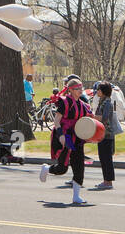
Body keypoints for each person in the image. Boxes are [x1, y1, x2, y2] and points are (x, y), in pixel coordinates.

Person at [38, 75, 90, 204]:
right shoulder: (64, 102)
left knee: (79, 166)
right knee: (62, 169)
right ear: (71, 90)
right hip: (66, 136)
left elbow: (87, 120)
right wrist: (61, 135)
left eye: (81, 87)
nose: (80, 90)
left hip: (77, 138)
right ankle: (46, 169)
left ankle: (76, 196)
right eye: (77, 88)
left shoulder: (83, 104)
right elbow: (57, 121)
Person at [91, 82, 121, 190]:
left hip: (107, 134)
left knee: (106, 158)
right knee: (102, 157)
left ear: (103, 91)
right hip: (102, 133)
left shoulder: (107, 102)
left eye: (99, 89)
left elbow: (104, 118)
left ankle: (108, 181)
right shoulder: (102, 101)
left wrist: (92, 116)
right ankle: (106, 180)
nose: (97, 91)